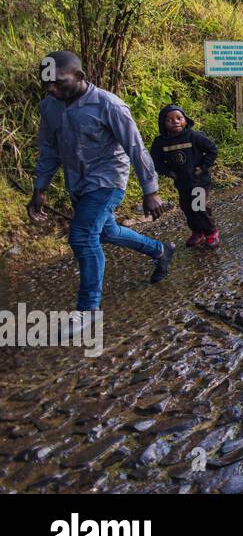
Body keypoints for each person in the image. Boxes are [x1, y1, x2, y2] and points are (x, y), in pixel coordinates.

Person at [27, 51, 176, 334]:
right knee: (106, 232)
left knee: (83, 237)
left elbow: (135, 147)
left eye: (58, 82)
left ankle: (88, 311)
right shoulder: (50, 106)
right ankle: (160, 250)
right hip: (78, 183)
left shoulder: (108, 105)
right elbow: (48, 149)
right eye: (46, 83)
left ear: (79, 77)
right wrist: (40, 188)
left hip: (108, 181)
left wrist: (150, 190)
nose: (51, 89)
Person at [149, 104, 219, 248]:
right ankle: (197, 232)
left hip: (199, 180)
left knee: (199, 206)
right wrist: (169, 172)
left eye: (179, 118)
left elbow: (212, 150)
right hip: (182, 182)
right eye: (170, 120)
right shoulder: (160, 143)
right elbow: (155, 161)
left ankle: (211, 232)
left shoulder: (194, 136)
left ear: (185, 120)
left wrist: (203, 167)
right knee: (187, 207)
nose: (175, 121)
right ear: (163, 123)